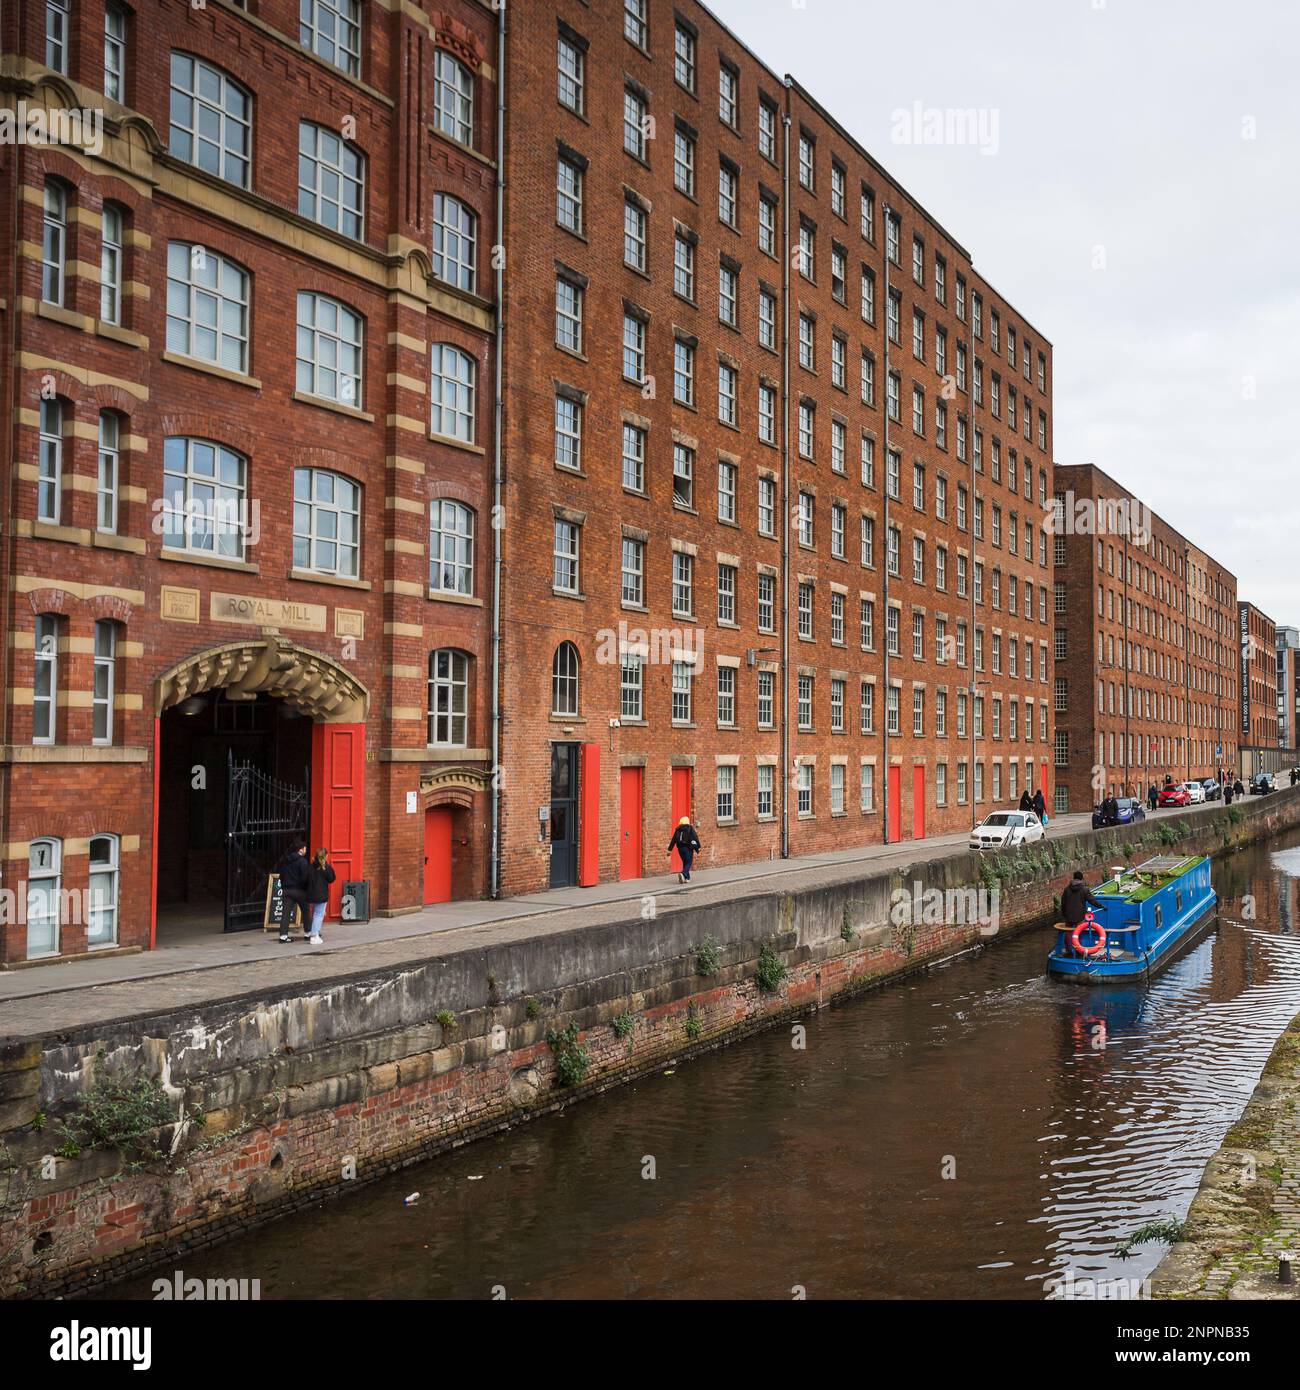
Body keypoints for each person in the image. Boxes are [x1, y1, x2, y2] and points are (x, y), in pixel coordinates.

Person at [275, 836, 310, 943]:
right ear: (300, 849)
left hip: (286, 890)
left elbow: (281, 875)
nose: (306, 850)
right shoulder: (302, 862)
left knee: (285, 913)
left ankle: (283, 936)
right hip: (299, 890)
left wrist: (284, 886)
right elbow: (305, 877)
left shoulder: (286, 861)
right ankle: (308, 933)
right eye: (305, 848)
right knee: (306, 911)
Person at [304, 847, 336, 945]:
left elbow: (304, 880)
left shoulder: (310, 867)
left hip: (311, 894)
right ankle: (314, 935)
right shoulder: (326, 867)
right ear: (326, 856)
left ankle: (315, 933)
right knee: (318, 915)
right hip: (321, 894)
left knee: (315, 914)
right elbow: (332, 878)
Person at [666, 816, 701, 883]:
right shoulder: (690, 828)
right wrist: (698, 847)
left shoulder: (678, 829)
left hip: (680, 849)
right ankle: (683, 873)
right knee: (689, 862)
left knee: (685, 862)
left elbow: (673, 840)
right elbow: (695, 837)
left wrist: (669, 850)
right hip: (688, 848)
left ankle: (687, 878)